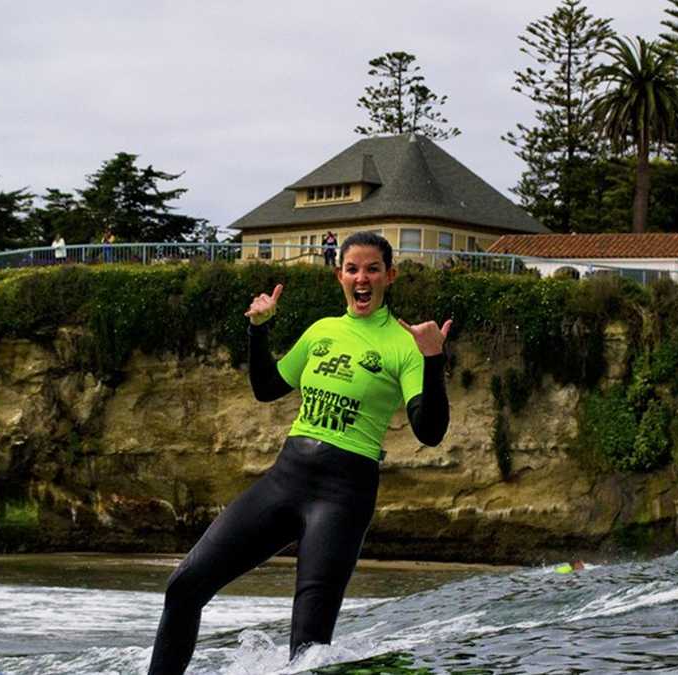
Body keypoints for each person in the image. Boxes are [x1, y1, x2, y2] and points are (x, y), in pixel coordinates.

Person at [147, 231, 451, 674]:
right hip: (286, 479)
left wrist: (433, 358)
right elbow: (268, 387)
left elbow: (430, 431)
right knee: (183, 588)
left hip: (343, 495)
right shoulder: (321, 331)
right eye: (352, 269)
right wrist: (258, 330)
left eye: (372, 269)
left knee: (308, 646)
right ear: (339, 275)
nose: (362, 278)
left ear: (390, 276)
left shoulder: (405, 345)